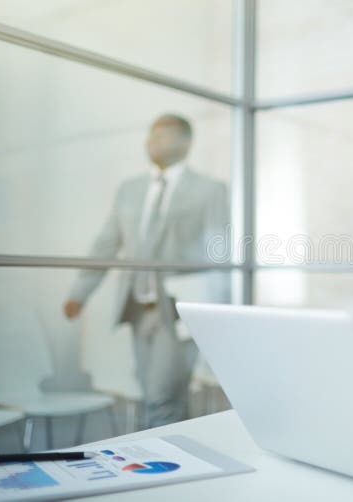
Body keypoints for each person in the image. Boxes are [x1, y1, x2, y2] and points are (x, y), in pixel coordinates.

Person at [63, 114, 229, 428]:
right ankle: (182, 459)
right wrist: (79, 293)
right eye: (150, 136)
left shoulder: (210, 190)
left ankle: (163, 465)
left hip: (180, 310)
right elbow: (106, 244)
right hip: (138, 308)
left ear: (186, 142)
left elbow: (219, 253)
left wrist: (217, 315)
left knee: (161, 396)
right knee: (158, 395)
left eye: (162, 136)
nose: (151, 142)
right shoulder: (130, 189)